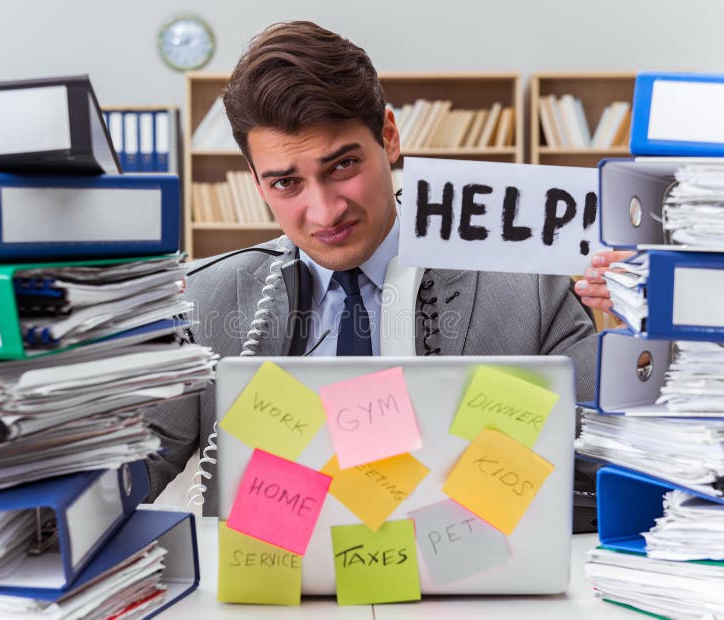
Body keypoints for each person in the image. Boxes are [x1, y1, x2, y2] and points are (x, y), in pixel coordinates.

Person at [145, 21, 607, 516]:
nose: (325, 212)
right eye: (286, 183)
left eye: (342, 166)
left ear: (388, 138)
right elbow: (120, 473)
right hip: (272, 586)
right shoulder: (199, 300)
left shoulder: (528, 287)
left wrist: (647, 327)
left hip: (467, 582)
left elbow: (609, 465)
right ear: (257, 184)